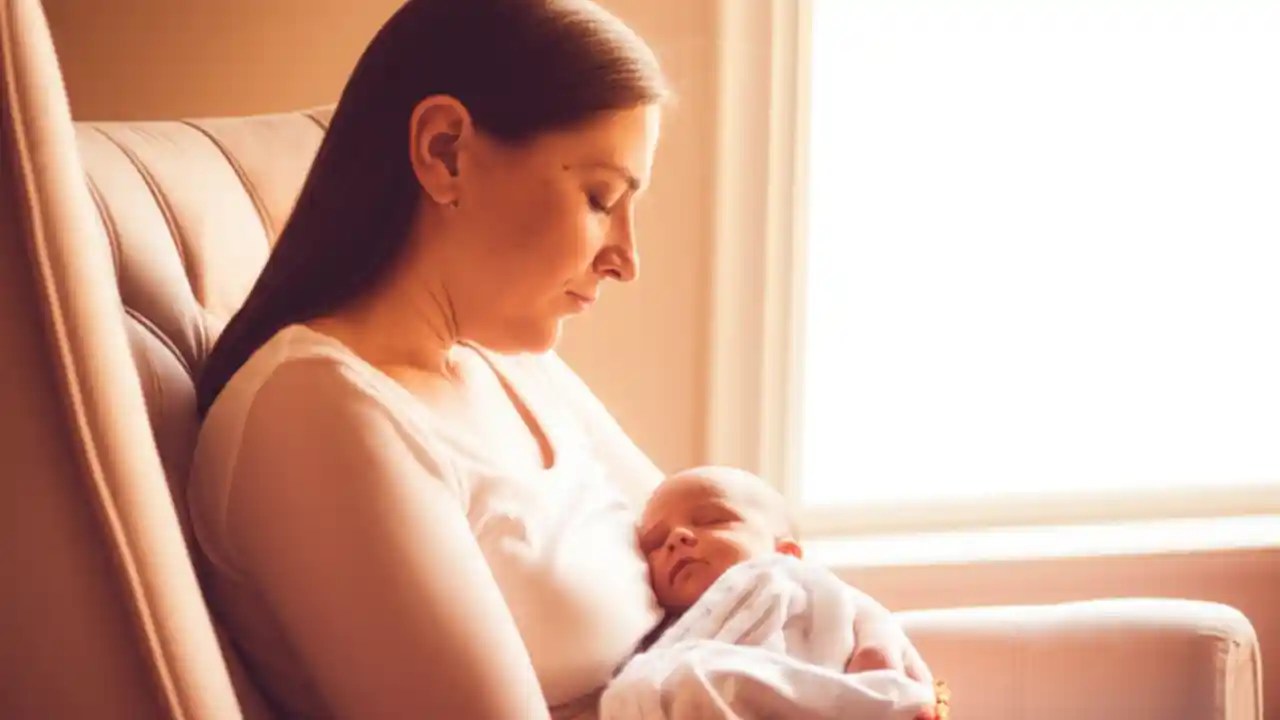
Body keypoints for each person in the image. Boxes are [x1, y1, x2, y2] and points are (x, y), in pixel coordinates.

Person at [187, 1, 931, 718]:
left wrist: (868, 631)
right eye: (601, 198)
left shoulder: (505, 365)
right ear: (445, 152)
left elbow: (729, 581)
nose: (626, 259)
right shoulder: (317, 414)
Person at [611, 466, 943, 719]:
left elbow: (863, 636)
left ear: (785, 552)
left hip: (807, 690)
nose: (678, 536)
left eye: (712, 520)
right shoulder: (654, 636)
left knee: (682, 678)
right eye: (656, 543)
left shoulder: (783, 578)